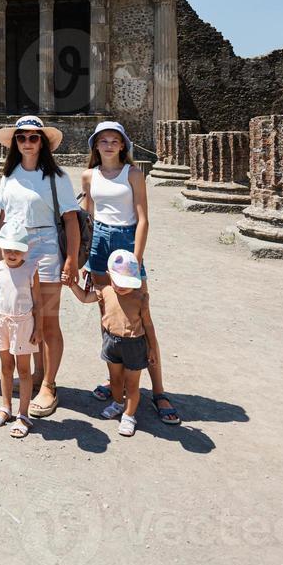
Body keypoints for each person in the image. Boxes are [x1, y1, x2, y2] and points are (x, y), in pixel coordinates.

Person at [78, 121, 180, 425]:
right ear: (95, 145)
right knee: (109, 316)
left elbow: (143, 218)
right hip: (99, 243)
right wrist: (85, 259)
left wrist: (135, 260)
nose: (109, 145)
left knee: (141, 316)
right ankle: (117, 382)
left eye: (114, 140)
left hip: (125, 240)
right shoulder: (88, 176)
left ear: (123, 145)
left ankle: (158, 390)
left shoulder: (134, 174)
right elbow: (87, 219)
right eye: (103, 141)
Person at [0, 115, 80, 419]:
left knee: (48, 321)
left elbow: (70, 219)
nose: (27, 142)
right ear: (15, 143)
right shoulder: (9, 175)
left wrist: (70, 259)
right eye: (22, 137)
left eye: (33, 137)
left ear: (42, 142)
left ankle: (48, 383)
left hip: (45, 249)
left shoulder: (56, 177)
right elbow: (2, 219)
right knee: (24, 319)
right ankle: (37, 373)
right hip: (15, 251)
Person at [67, 248, 149, 437]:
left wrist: (151, 349)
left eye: (126, 283)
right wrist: (72, 285)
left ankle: (129, 415)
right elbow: (85, 298)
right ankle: (119, 403)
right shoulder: (105, 291)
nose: (121, 288)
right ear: (109, 275)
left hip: (135, 344)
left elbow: (149, 326)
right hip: (111, 342)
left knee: (132, 384)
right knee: (115, 380)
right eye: (118, 282)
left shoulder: (140, 298)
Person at [0, 228, 41, 438]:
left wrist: (39, 328)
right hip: (1, 322)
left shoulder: (31, 270)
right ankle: (5, 407)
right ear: (2, 247)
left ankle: (23, 415)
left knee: (24, 370)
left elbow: (38, 303)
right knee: (6, 366)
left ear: (25, 251)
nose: (12, 254)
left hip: (24, 324)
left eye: (17, 250)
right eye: (8, 249)